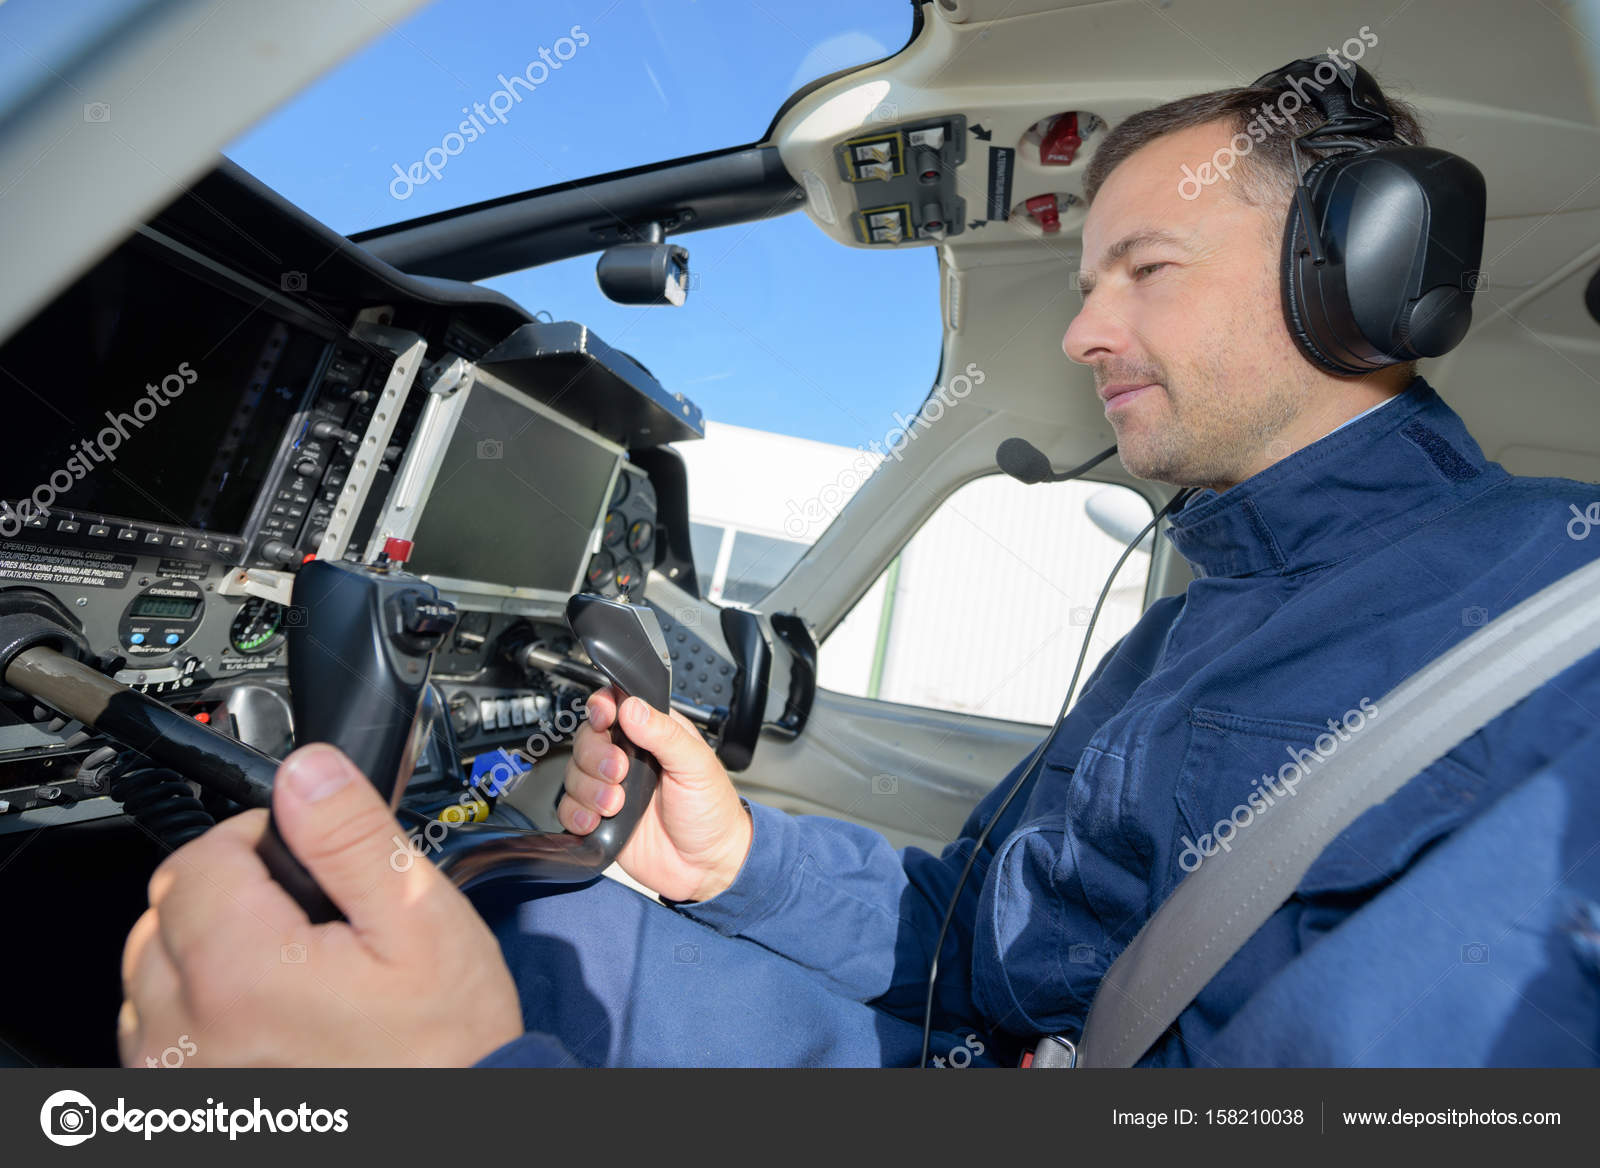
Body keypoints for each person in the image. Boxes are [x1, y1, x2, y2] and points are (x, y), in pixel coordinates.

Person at [120, 65, 1600, 1069]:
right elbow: (989, 937)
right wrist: (740, 863)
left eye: (1145, 270)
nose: (1086, 335)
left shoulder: (1551, 646)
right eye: (1088, 286)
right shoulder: (1194, 629)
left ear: (1358, 278)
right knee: (528, 905)